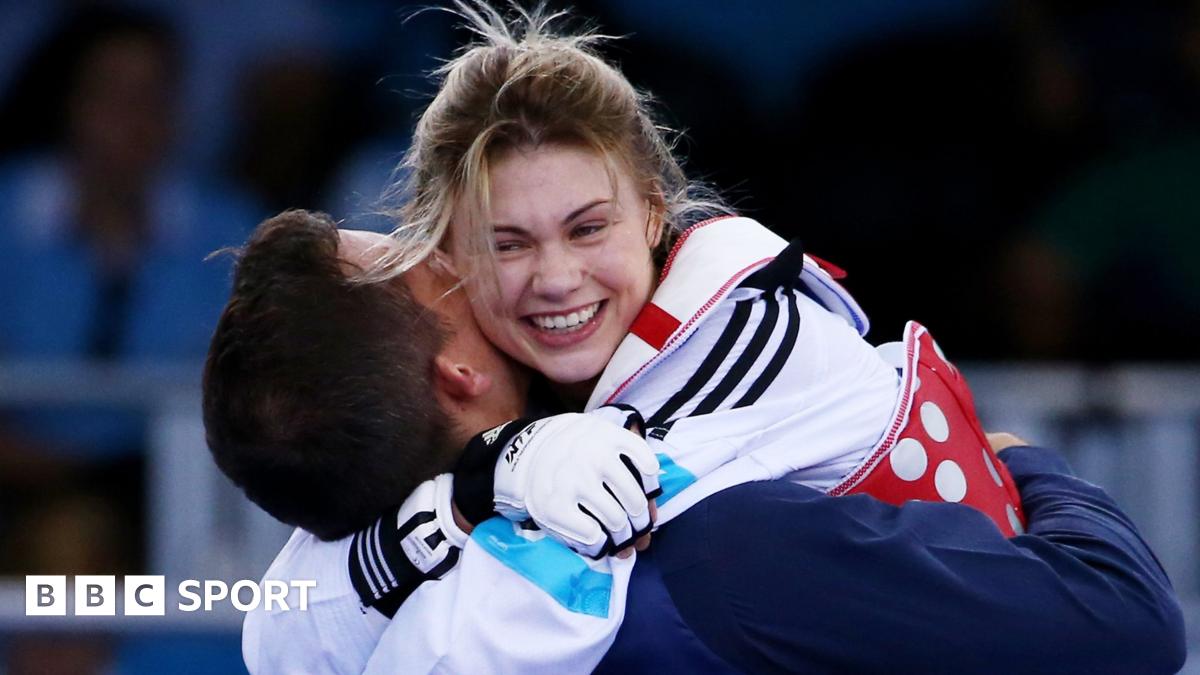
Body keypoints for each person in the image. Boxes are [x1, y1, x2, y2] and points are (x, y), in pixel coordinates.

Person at [206, 213, 1183, 674]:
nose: (460, 247)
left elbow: (284, 626)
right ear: (456, 375)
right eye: (423, 258)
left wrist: (476, 480)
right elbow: (1131, 624)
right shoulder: (715, 549)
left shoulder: (377, 615)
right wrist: (1022, 463)